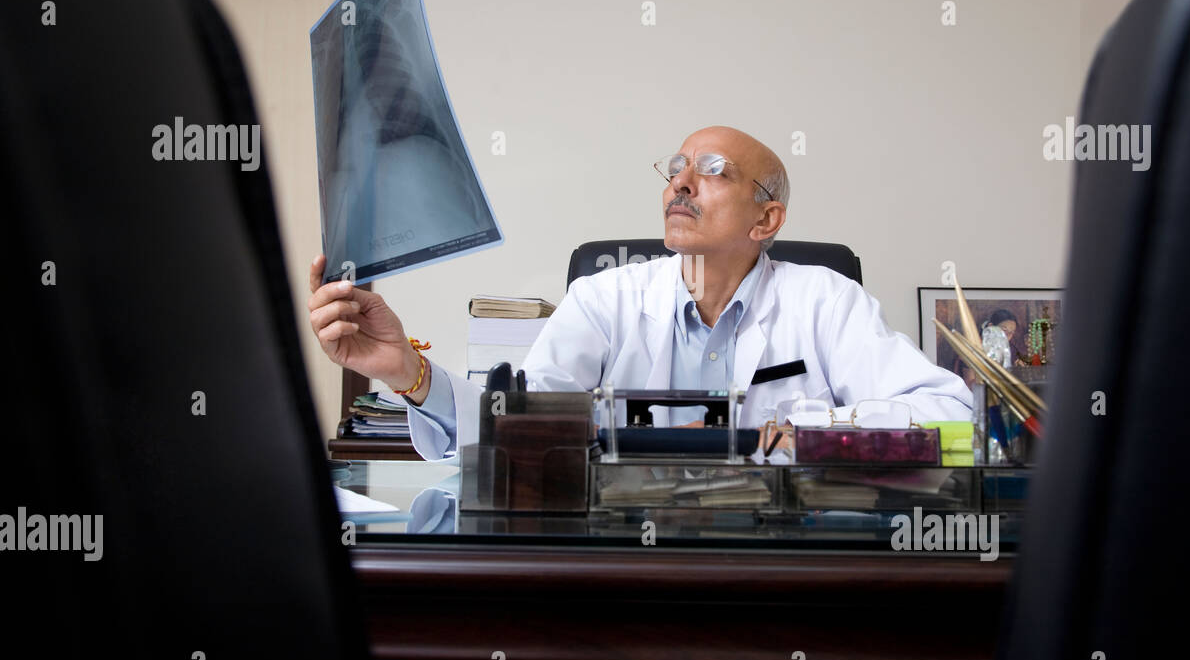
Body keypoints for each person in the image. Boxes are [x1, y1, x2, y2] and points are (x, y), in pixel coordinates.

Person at [308, 125, 974, 461]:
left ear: (766, 220)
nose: (680, 184)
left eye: (713, 172)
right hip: (623, 560)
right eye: (676, 169)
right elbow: (516, 429)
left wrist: (795, 436)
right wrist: (404, 369)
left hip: (785, 566)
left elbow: (949, 416)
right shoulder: (605, 299)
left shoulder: (826, 302)